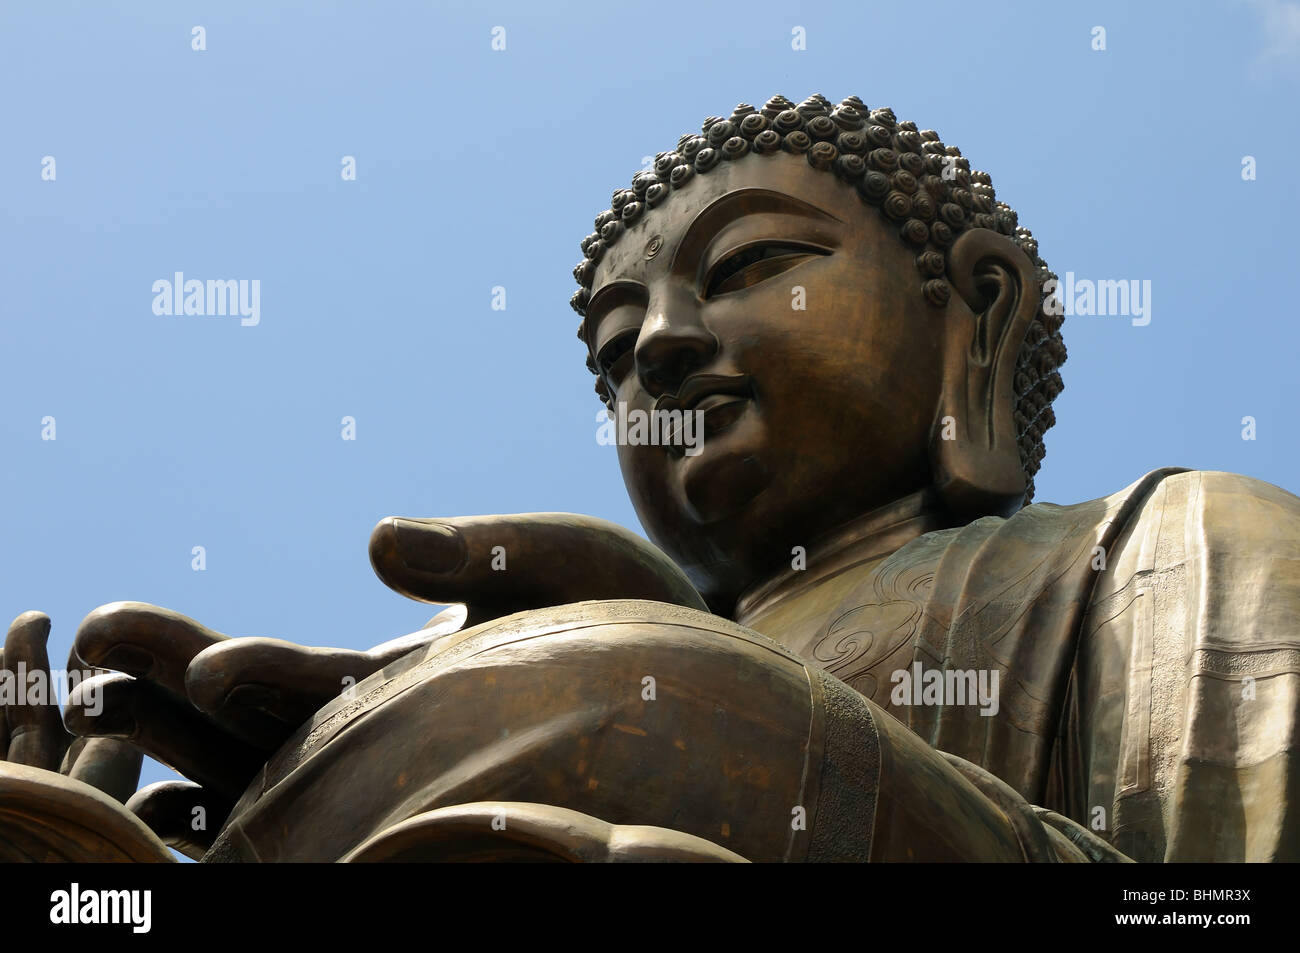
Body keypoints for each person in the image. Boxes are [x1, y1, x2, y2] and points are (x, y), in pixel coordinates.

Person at [3, 94, 1296, 862]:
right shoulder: (594, 634)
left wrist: (726, 726)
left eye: (746, 268)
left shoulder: (1166, 546)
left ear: (976, 311)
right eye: (618, 350)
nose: (663, 346)